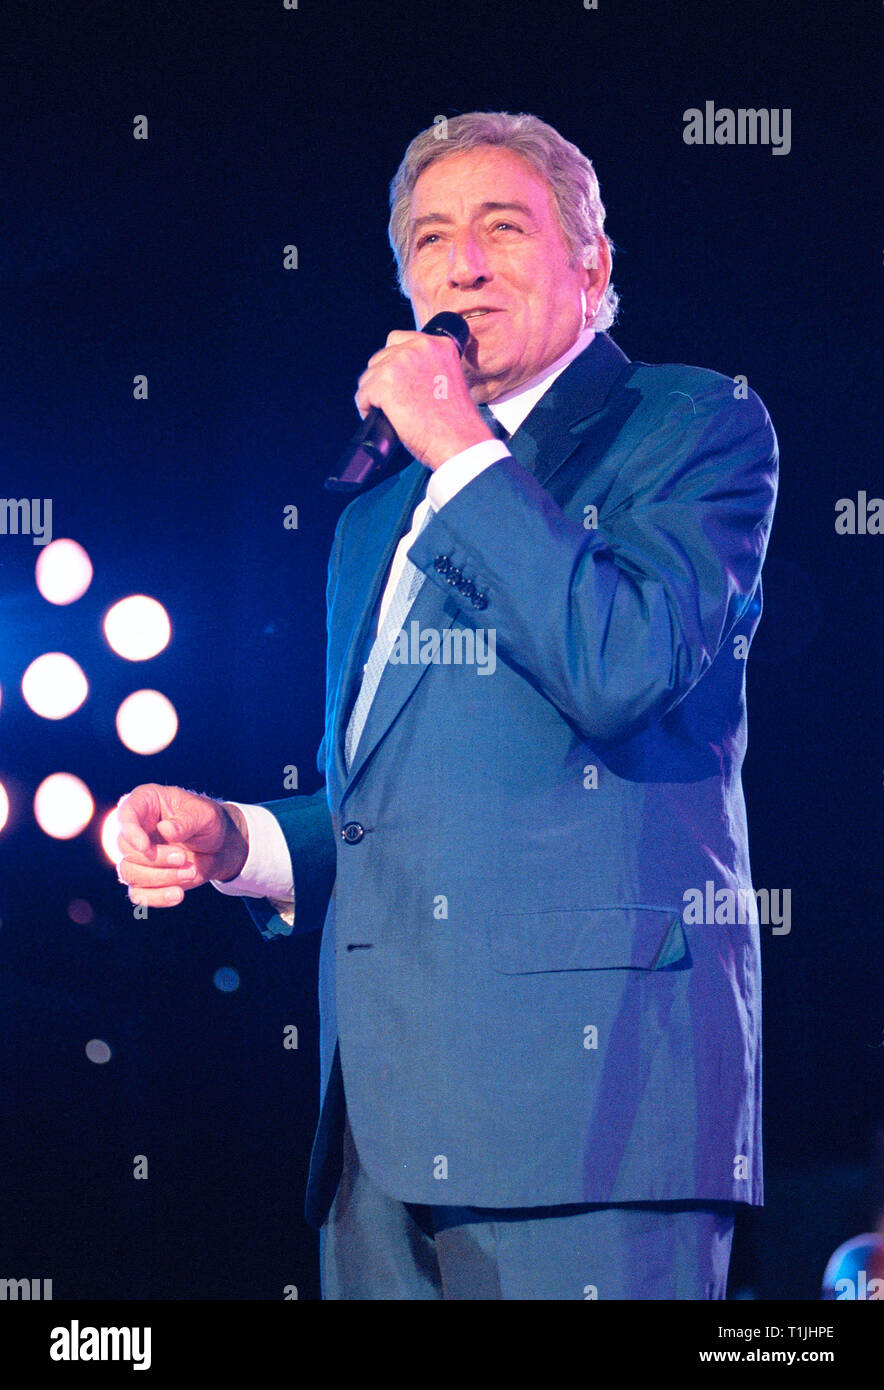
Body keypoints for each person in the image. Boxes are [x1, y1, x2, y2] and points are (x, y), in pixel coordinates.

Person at [117, 111, 778, 1300]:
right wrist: (240, 841)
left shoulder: (690, 423)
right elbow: (385, 805)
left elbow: (622, 664)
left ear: (592, 265)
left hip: (589, 1121)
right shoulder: (375, 518)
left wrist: (463, 452)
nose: (461, 264)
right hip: (375, 1148)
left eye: (501, 228)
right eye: (429, 239)